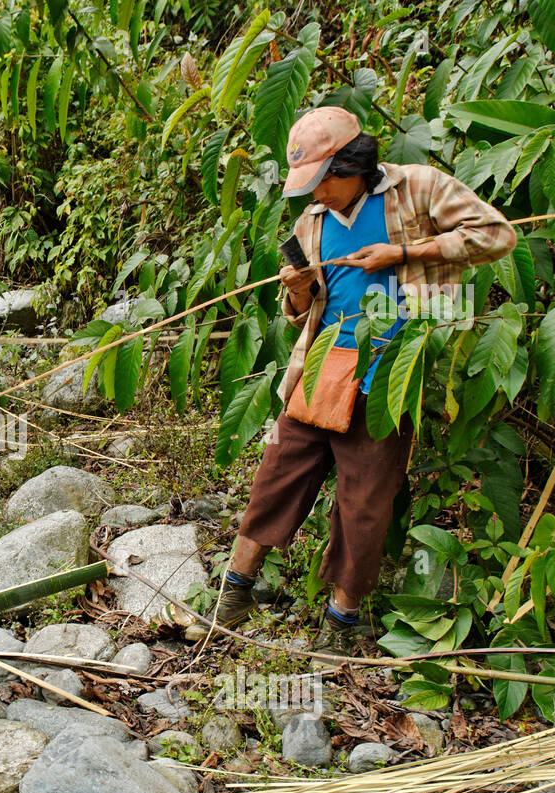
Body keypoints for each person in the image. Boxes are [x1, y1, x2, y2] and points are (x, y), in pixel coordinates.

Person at [163, 106, 516, 653]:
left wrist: (404, 253)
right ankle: (233, 597)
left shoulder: (416, 190)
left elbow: (497, 235)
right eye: (312, 185)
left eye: (326, 180)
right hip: (321, 370)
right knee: (275, 481)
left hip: (390, 376)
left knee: (365, 502)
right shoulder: (312, 224)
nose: (319, 194)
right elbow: (301, 313)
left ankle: (339, 626)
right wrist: (299, 288)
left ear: (355, 164)